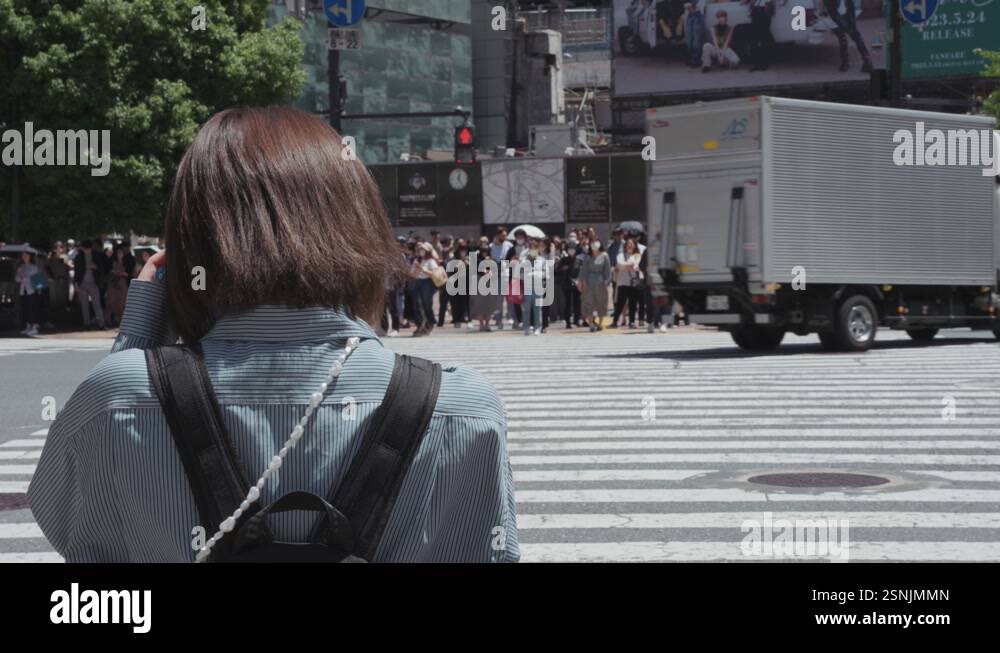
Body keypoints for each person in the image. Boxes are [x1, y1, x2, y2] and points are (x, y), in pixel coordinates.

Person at [27, 106, 519, 563]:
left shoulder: (116, 399)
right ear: (358, 226)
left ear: (192, 245)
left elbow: (67, 522)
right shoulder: (461, 407)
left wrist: (137, 342)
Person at [823, 0, 872, 73]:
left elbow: (851, 11)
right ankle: (845, 63)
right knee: (843, 38)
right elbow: (832, 13)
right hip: (836, 19)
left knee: (857, 37)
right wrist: (844, 26)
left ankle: (867, 61)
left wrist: (852, 25)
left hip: (847, 17)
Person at [579, 239, 612, 332]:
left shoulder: (605, 256)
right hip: (589, 282)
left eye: (596, 242)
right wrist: (583, 282)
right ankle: (591, 324)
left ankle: (600, 323)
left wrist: (606, 282)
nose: (594, 245)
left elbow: (608, 271)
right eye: (593, 243)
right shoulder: (587, 257)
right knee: (588, 302)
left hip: (601, 282)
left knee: (601, 303)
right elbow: (584, 270)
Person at [73, 239, 106, 329]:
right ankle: (86, 324)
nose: (87, 251)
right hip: (82, 283)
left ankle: (101, 324)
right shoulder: (79, 257)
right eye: (86, 249)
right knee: (84, 305)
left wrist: (95, 267)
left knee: (97, 304)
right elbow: (76, 271)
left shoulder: (96, 256)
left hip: (94, 283)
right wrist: (75, 284)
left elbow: (102, 269)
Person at [611, 238, 643, 329]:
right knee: (620, 303)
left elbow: (636, 267)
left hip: (633, 283)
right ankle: (615, 321)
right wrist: (629, 265)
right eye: (628, 244)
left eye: (631, 244)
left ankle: (632, 322)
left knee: (633, 304)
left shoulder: (637, 256)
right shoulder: (621, 255)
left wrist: (625, 266)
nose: (630, 245)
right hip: (623, 282)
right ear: (625, 246)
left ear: (634, 246)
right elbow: (619, 265)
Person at [410, 242, 439, 337]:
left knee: (427, 304)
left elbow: (434, 273)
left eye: (423, 249)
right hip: (417, 282)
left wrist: (422, 269)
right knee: (416, 304)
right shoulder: (417, 260)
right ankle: (420, 324)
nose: (421, 251)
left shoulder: (431, 261)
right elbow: (412, 274)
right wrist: (416, 269)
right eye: (420, 249)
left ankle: (430, 323)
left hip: (427, 282)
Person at [15, 250, 42, 337]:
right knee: (25, 308)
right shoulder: (21, 266)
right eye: (23, 255)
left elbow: (29, 278)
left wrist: (22, 276)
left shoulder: (34, 266)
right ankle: (28, 326)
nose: (24, 257)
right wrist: (19, 273)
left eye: (26, 255)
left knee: (32, 309)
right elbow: (17, 279)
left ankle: (34, 327)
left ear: (30, 257)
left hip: (32, 290)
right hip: (23, 290)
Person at [743, 0, 775, 72]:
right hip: (756, 10)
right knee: (755, 40)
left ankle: (763, 64)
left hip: (765, 10)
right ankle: (756, 64)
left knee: (764, 39)